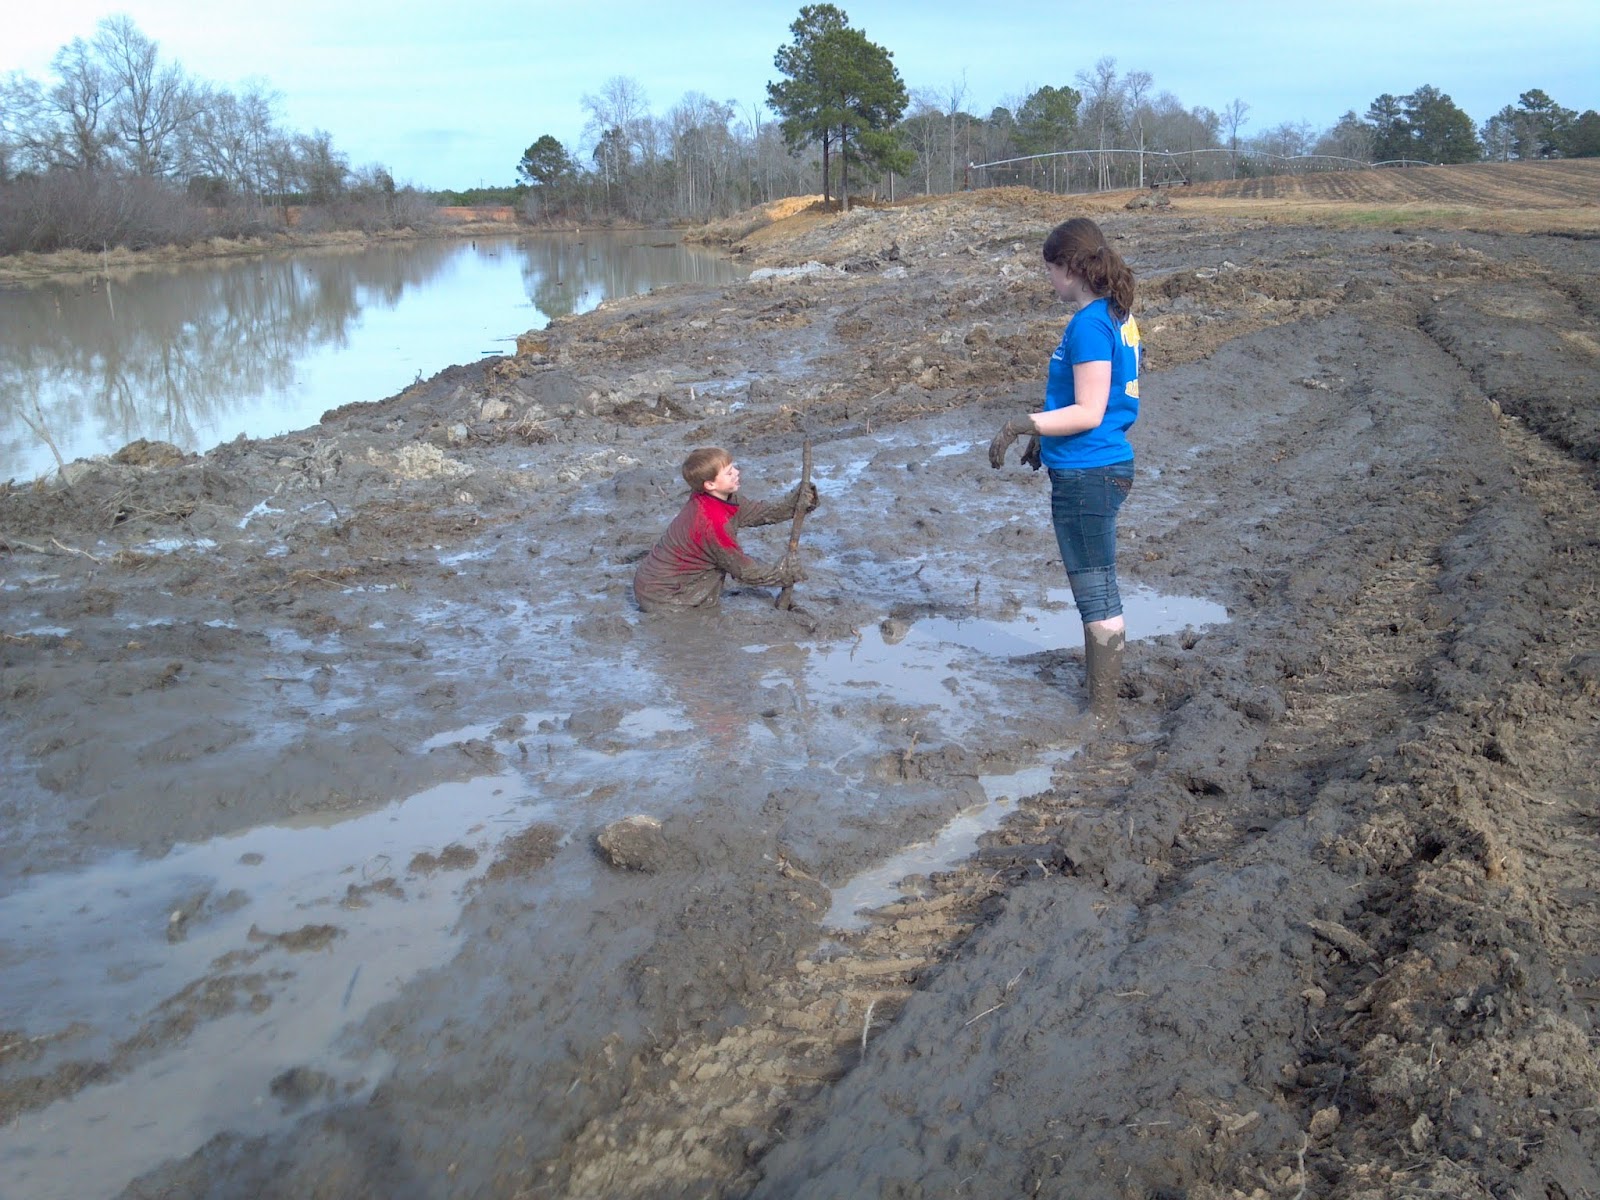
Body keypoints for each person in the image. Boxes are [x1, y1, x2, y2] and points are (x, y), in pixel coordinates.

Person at [988, 216, 1140, 723]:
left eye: (1050, 269)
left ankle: (1101, 712)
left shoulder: (1090, 325)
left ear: (1071, 269)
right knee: (1100, 587)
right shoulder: (1115, 314)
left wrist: (1020, 424)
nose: (1049, 280)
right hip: (1097, 464)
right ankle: (1103, 698)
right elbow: (1095, 400)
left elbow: (1090, 411)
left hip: (1088, 472)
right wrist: (1045, 435)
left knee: (1096, 593)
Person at [633, 446, 818, 612]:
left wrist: (798, 501)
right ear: (710, 485)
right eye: (729, 473)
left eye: (733, 467)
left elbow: (763, 513)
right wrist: (784, 573)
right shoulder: (712, 523)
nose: (737, 472)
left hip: (661, 582)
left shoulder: (720, 497)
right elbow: (745, 572)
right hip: (664, 595)